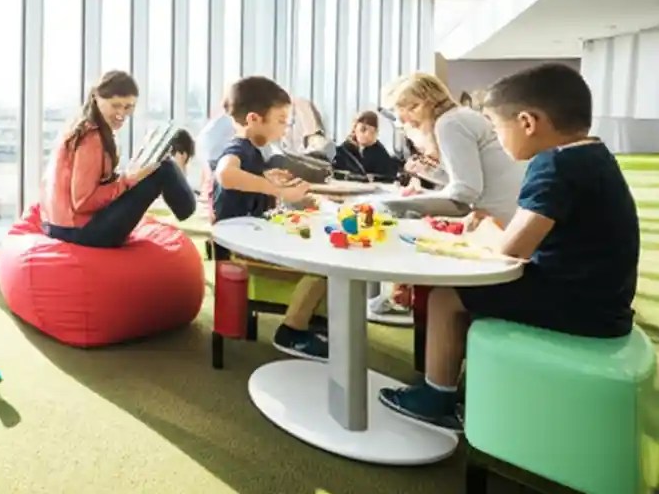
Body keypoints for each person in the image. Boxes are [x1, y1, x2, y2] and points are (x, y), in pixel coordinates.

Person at [380, 63, 639, 431]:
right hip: (602, 296)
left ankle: (435, 397)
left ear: (527, 122)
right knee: (471, 291)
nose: (498, 140)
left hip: (583, 306)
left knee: (445, 297)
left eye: (497, 129)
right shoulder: (592, 155)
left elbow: (512, 250)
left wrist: (486, 228)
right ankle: (458, 378)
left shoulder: (554, 166)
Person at [210, 76, 328, 360]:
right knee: (326, 263)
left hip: (252, 236)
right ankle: (293, 329)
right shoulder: (238, 148)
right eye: (281, 120)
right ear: (254, 118)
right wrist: (274, 188)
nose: (285, 127)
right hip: (243, 249)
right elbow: (225, 174)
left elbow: (245, 181)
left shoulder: (253, 152)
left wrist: (266, 178)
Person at [40, 70, 196, 248]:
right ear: (96, 98)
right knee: (164, 169)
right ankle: (192, 216)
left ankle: (189, 211)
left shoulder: (81, 126)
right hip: (78, 232)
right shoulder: (92, 139)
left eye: (128, 107)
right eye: (115, 106)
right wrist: (128, 180)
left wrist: (128, 177)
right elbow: (83, 203)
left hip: (57, 225)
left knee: (151, 168)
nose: (122, 113)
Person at [379, 72, 525, 223]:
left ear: (432, 103)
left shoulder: (450, 123)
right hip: (507, 216)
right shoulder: (460, 117)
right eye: (399, 111)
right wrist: (429, 176)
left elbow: (465, 191)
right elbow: (468, 180)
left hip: (496, 220)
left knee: (383, 207)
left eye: (413, 107)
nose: (404, 119)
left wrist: (405, 203)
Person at [332, 111, 399, 183]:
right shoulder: (343, 151)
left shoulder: (380, 153)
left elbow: (389, 176)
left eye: (372, 132)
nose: (367, 135)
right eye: (363, 130)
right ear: (355, 129)